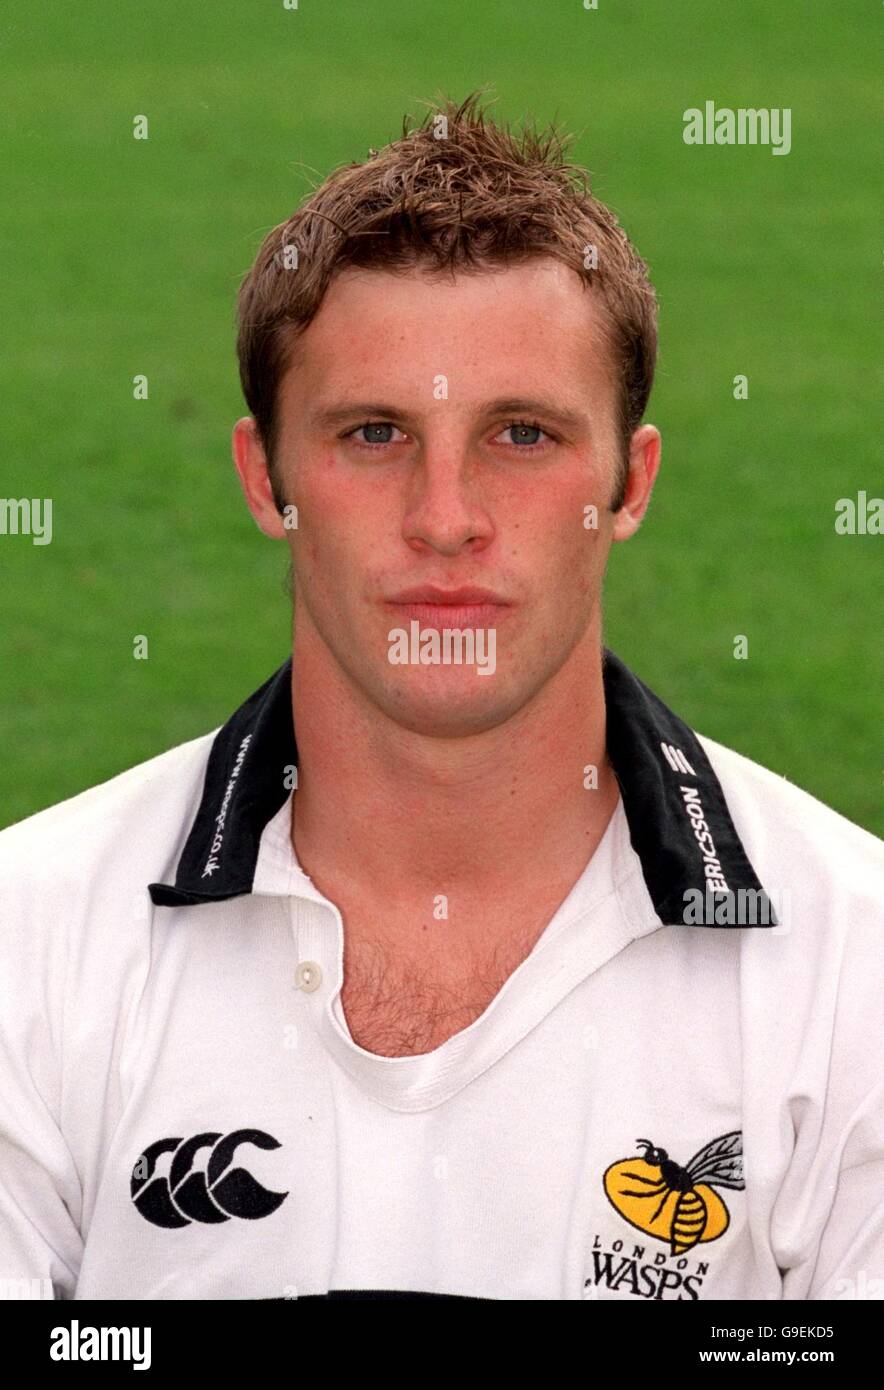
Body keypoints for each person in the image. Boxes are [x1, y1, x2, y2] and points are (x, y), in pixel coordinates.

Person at [0, 93, 881, 1303]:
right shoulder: (28, 942)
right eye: (373, 433)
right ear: (267, 477)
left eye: (520, 434)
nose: (445, 517)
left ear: (628, 482)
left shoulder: (854, 966)